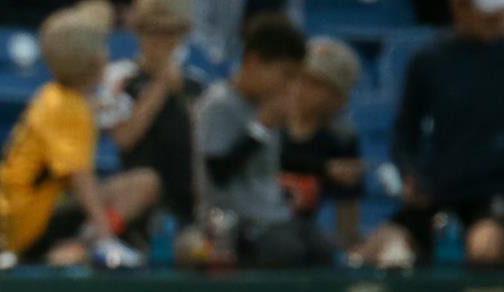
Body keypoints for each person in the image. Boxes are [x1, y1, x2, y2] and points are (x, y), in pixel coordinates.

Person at [0, 1, 159, 266]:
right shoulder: (68, 108)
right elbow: (79, 175)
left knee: (132, 184)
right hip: (31, 226)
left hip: (17, 220)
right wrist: (105, 235)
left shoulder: (55, 97)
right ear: (97, 61)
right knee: (144, 183)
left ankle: (81, 243)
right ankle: (91, 243)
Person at [371, 0, 504, 267]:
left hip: (494, 194)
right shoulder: (428, 60)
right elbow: (405, 132)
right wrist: (409, 173)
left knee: (485, 247)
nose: (499, 23)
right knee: (385, 252)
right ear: (458, 8)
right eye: (489, 17)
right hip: (438, 191)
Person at [195, 14, 323, 267]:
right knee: (287, 251)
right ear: (254, 62)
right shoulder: (218, 104)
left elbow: (269, 170)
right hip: (234, 225)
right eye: (285, 74)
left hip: (275, 217)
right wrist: (261, 127)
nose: (289, 85)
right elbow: (218, 172)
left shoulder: (267, 105)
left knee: (323, 248)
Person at [101, 0, 206, 228]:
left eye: (169, 33)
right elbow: (124, 139)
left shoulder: (194, 83)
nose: (161, 42)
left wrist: (180, 94)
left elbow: (202, 145)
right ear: (139, 31)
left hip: (183, 193)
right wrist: (160, 86)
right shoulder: (119, 77)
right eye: (153, 31)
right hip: (135, 188)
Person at [279, 38, 364, 252]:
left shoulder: (341, 139)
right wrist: (325, 168)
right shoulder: (268, 123)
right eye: (297, 77)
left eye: (315, 84)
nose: (300, 88)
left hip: (307, 240)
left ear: (339, 99)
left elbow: (347, 221)